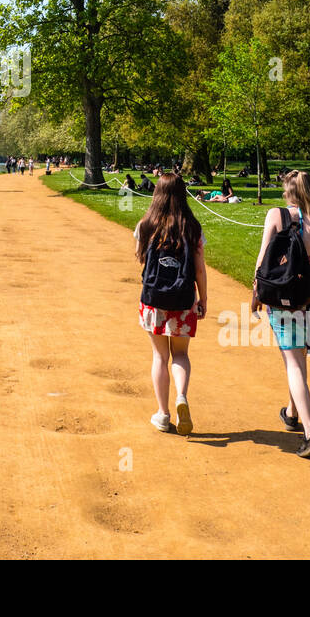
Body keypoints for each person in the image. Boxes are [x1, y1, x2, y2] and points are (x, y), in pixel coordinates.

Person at [252, 170, 310, 459]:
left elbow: (262, 258)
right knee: (299, 357)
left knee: (293, 362)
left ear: (289, 192)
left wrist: (254, 295)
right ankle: (292, 413)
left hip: (283, 296)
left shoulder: (276, 215)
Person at [134, 175, 208, 435]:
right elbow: (199, 268)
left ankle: (163, 414)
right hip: (183, 299)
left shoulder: (146, 224)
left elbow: (139, 256)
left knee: (159, 356)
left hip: (153, 299)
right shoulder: (192, 227)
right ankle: (182, 398)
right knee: (180, 355)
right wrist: (203, 298)